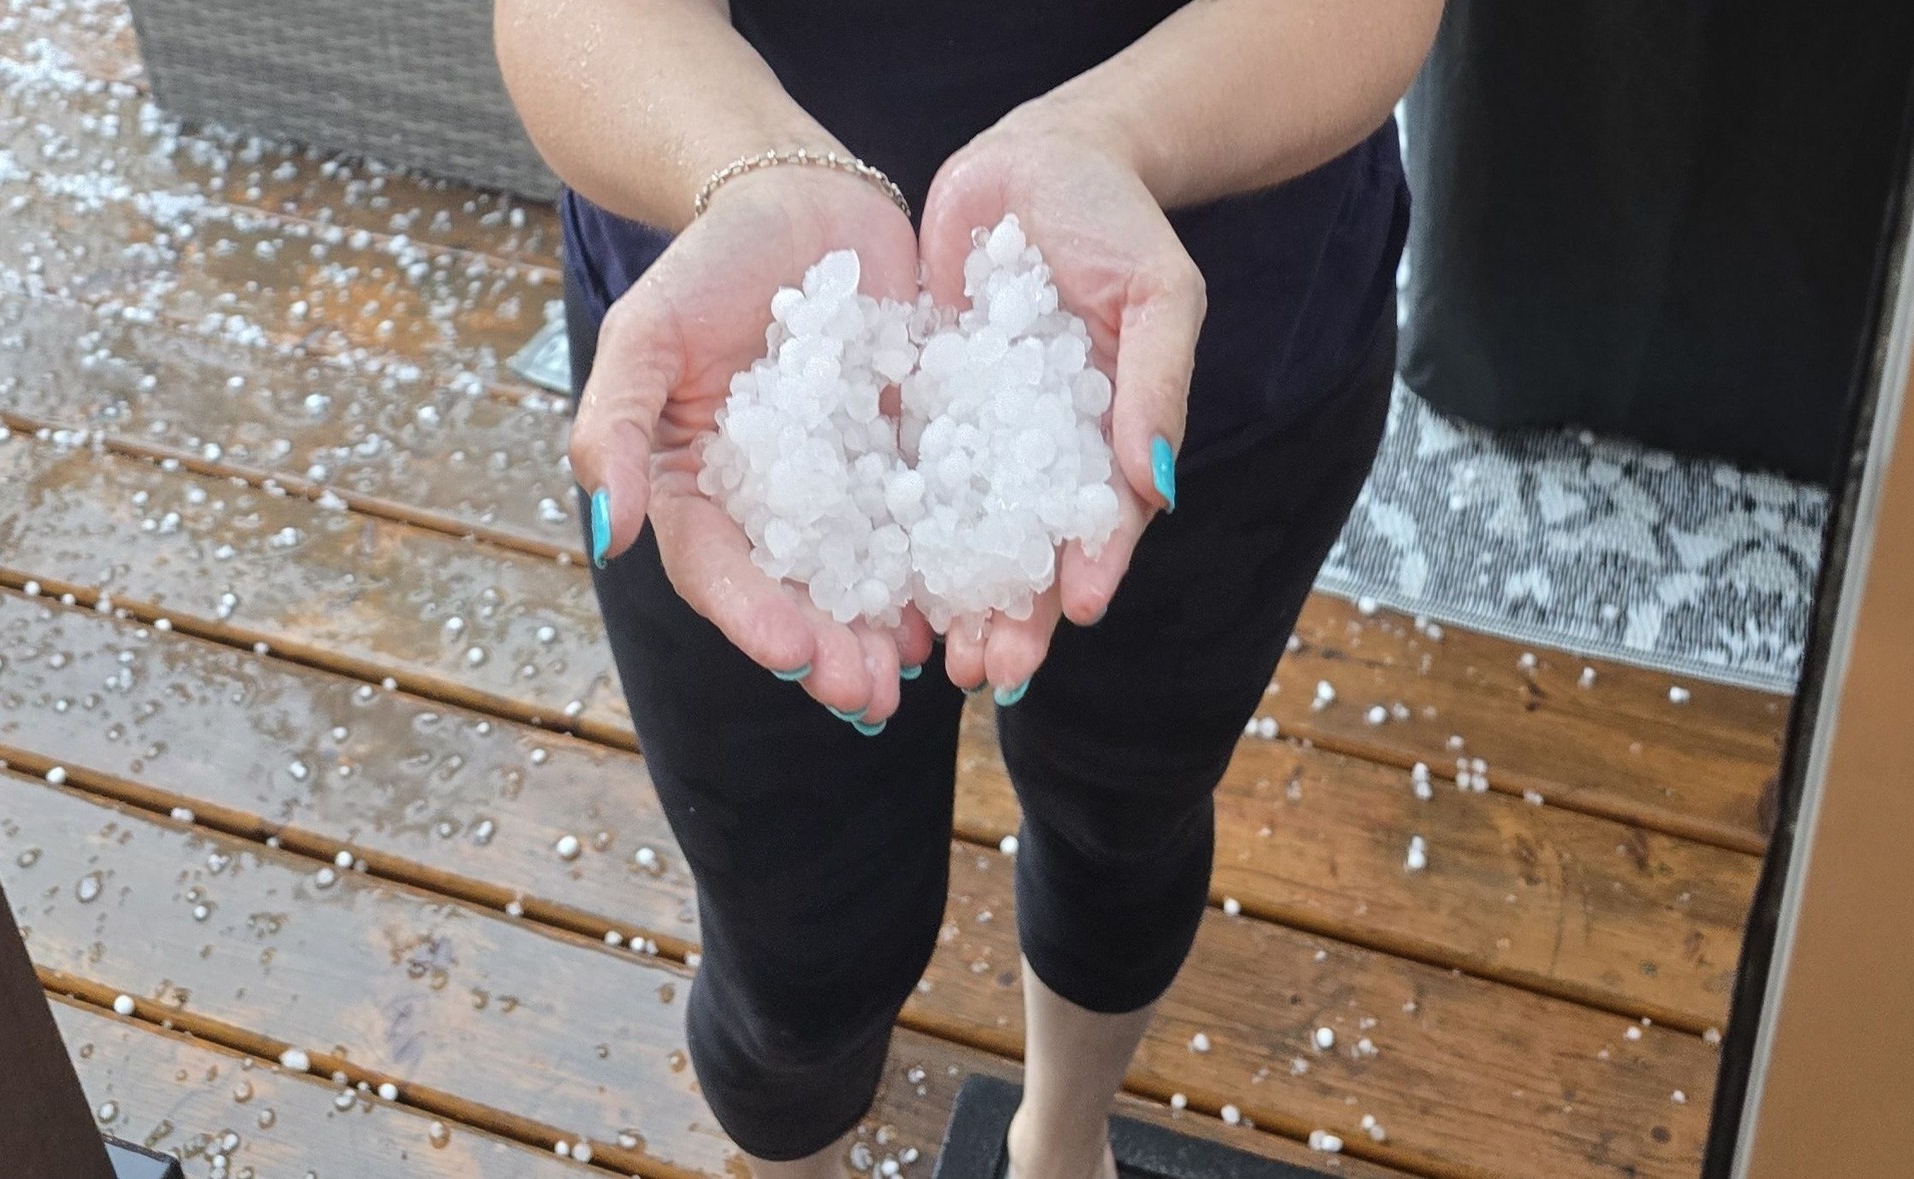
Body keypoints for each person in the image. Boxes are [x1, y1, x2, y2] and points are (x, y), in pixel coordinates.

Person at [494, 3, 1441, 1176]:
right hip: (727, 364)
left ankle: (1060, 1148)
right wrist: (748, 169)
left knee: (1125, 825)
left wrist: (1112, 135)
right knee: (793, 944)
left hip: (1201, 326)